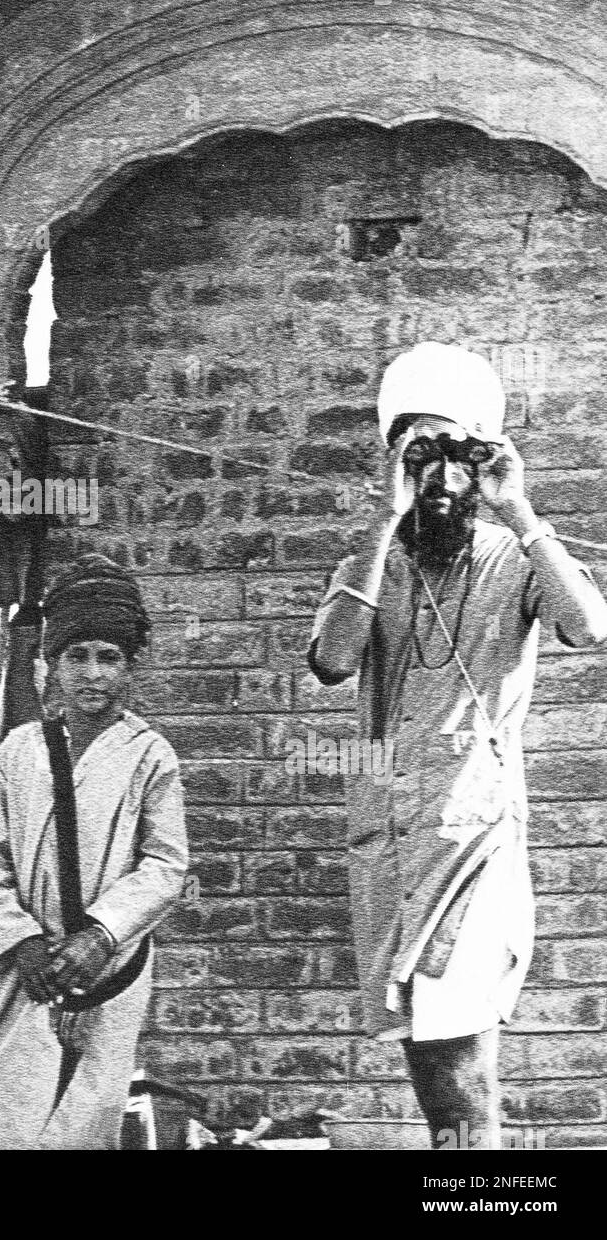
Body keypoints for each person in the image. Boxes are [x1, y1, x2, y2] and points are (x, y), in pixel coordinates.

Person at [308, 342, 607, 1149]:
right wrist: (385, 516)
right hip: (394, 849)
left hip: (473, 843)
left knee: (461, 1080)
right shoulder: (369, 564)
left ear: (482, 464)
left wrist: (522, 511)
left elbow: (589, 624)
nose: (440, 481)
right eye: (420, 456)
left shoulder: (516, 561)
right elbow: (334, 660)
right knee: (439, 1092)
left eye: (455, 456)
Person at [0, 553, 188, 1150]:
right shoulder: (19, 753)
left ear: (131, 666)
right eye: (78, 657)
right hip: (31, 969)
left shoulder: (150, 756)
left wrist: (102, 936)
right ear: (52, 664)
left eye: (109, 658)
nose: (93, 674)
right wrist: (21, 941)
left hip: (108, 972)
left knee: (78, 1121)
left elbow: (166, 865)